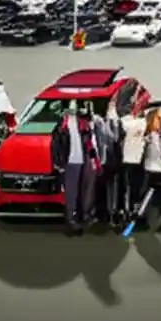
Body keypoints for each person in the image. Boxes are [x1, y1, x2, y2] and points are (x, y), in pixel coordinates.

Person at [50, 100, 98, 236]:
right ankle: (71, 222)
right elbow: (55, 146)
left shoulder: (81, 124)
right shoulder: (62, 126)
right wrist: (58, 164)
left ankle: (80, 218)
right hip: (70, 163)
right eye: (72, 108)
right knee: (71, 194)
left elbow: (88, 142)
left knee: (81, 193)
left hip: (81, 161)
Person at [92, 92, 124, 226]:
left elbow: (114, 138)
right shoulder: (99, 122)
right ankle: (106, 214)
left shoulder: (104, 121)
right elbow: (113, 138)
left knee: (107, 187)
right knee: (106, 188)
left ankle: (108, 213)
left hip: (107, 160)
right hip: (105, 159)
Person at [120, 100, 148, 218]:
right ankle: (132, 208)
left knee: (127, 186)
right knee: (135, 186)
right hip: (137, 159)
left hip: (127, 158)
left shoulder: (125, 122)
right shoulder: (142, 122)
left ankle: (126, 209)